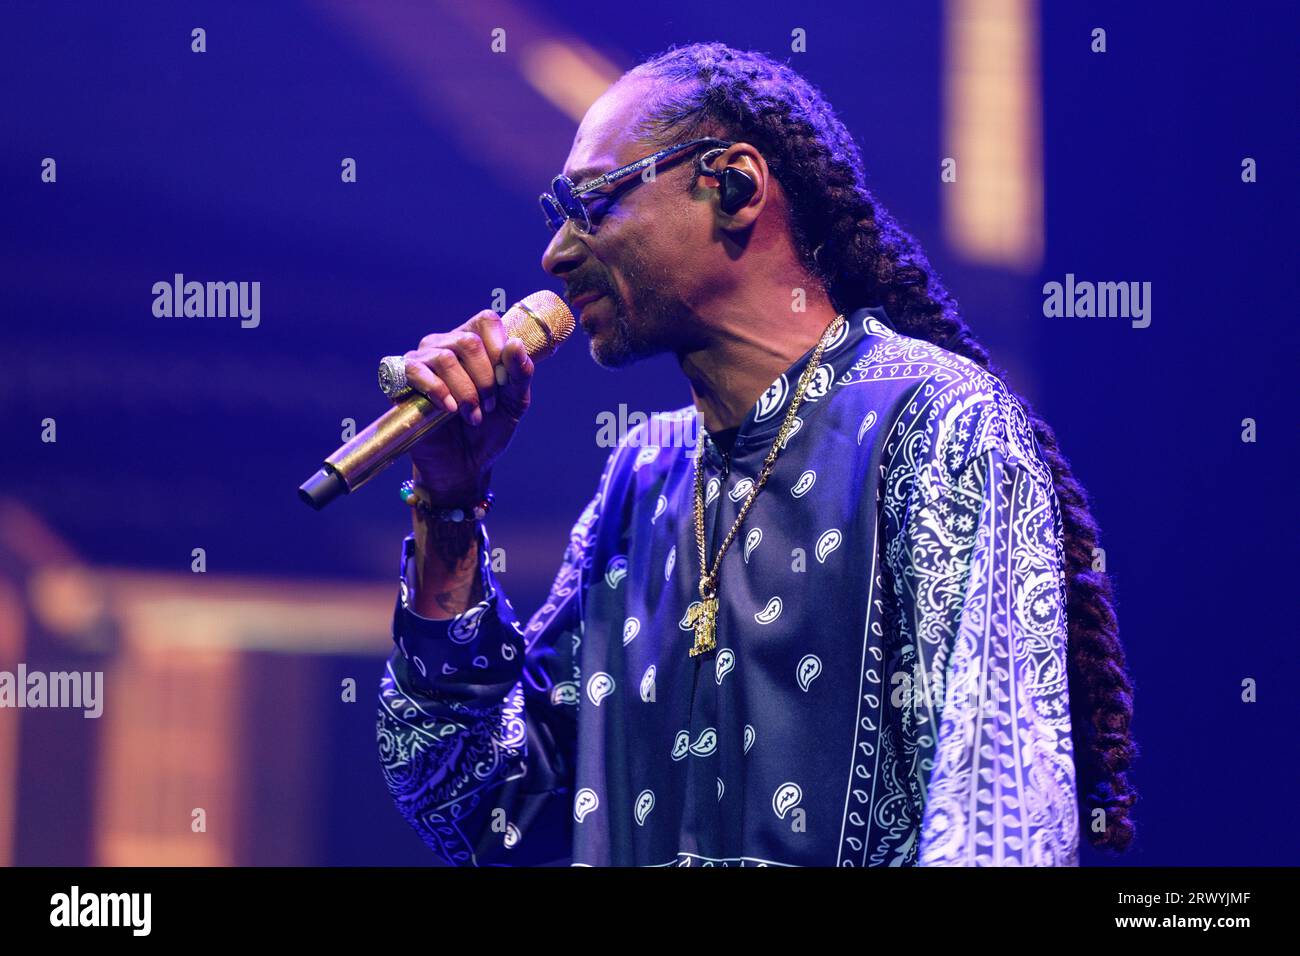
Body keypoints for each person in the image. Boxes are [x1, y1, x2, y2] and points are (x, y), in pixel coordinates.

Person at [376, 42, 1138, 867]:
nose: (556, 254)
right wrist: (448, 510)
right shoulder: (643, 476)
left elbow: (999, 823)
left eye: (589, 202)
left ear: (732, 185)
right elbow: (475, 808)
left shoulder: (936, 423)